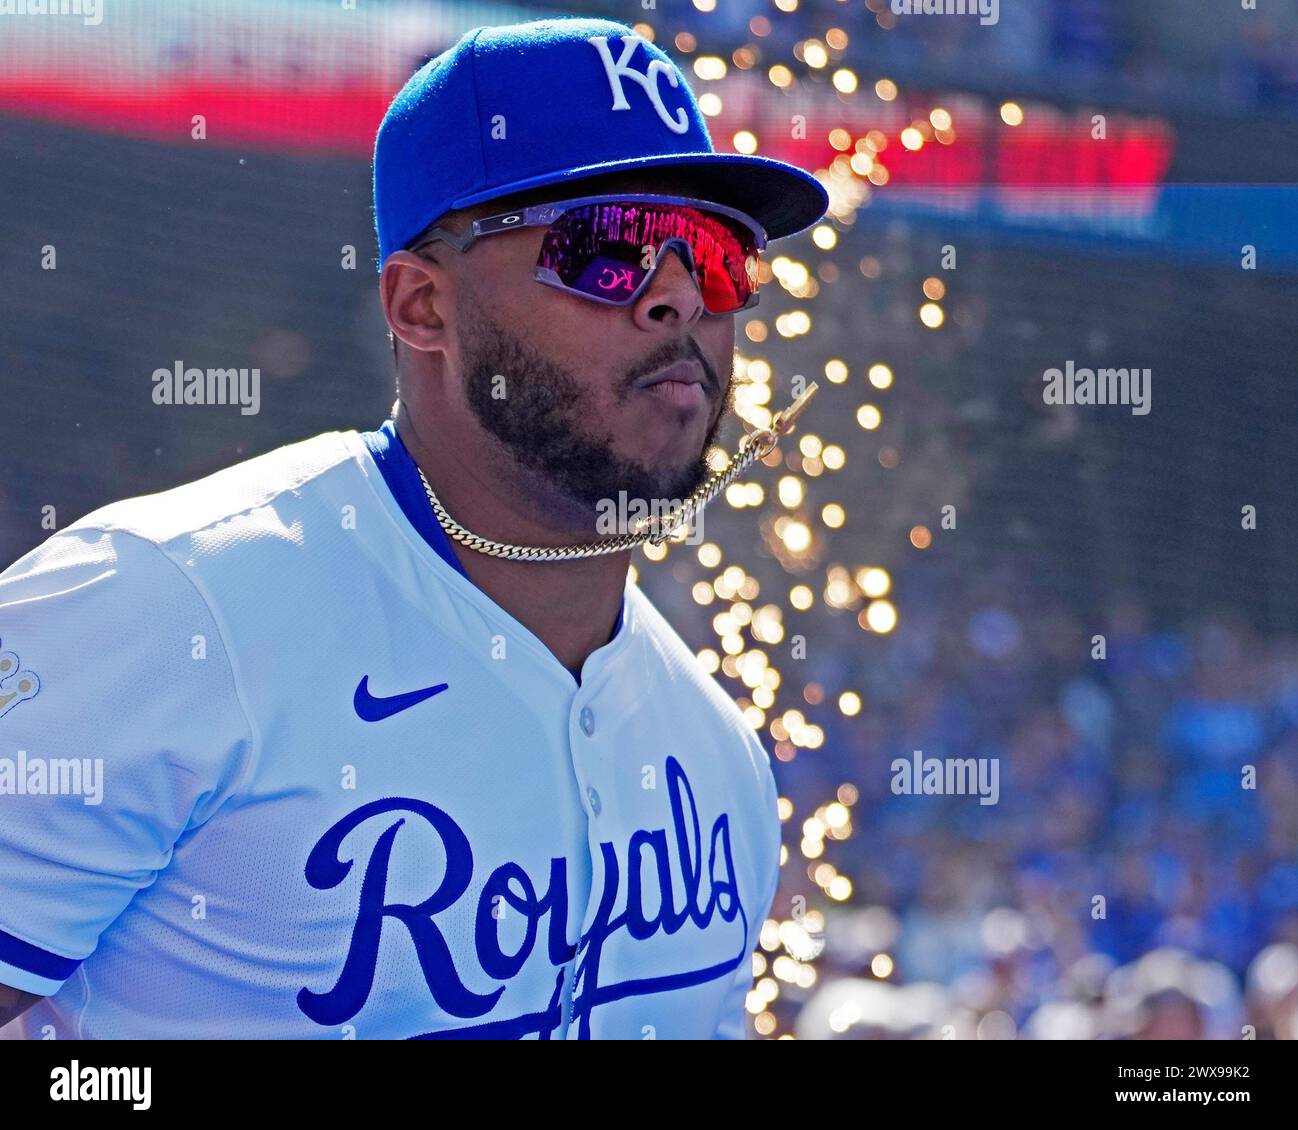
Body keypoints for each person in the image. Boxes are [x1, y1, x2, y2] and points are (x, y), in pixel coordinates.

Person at [0, 17, 827, 1038]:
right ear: (422, 306)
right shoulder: (163, 605)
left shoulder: (718, 756)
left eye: (712, 256)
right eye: (605, 250)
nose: (672, 297)